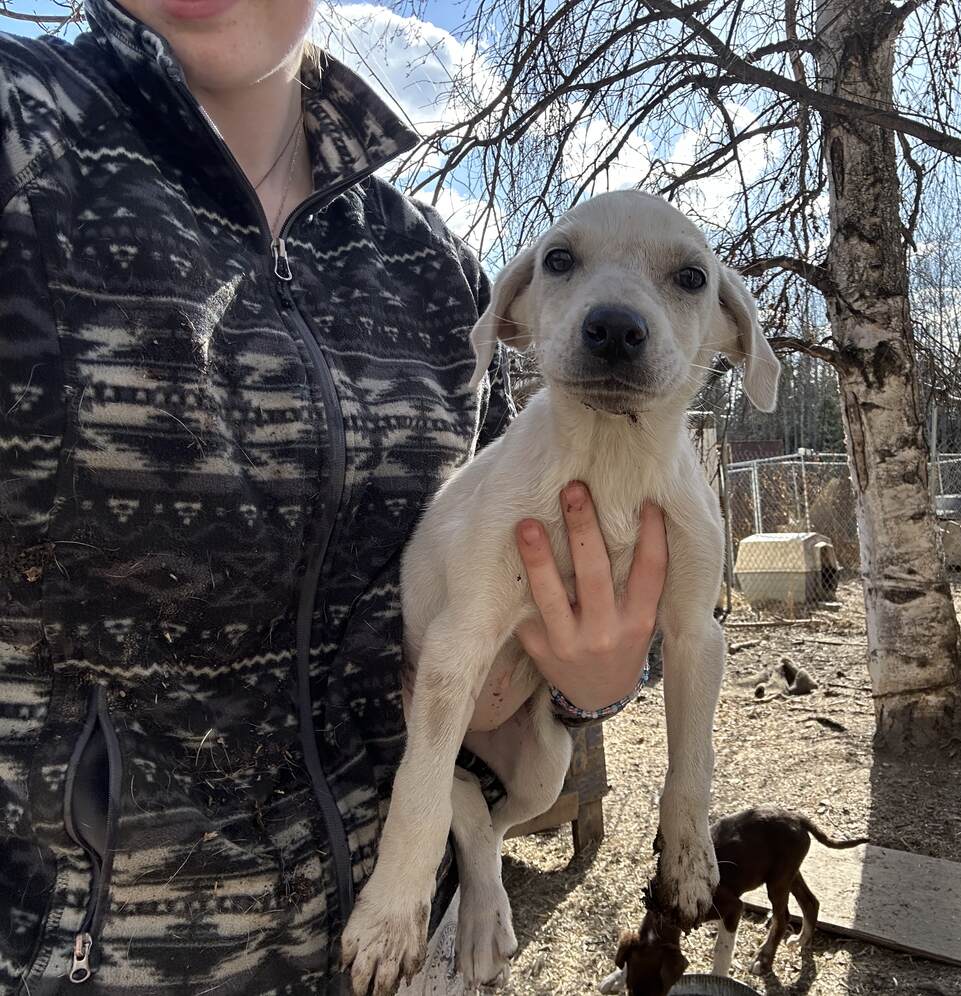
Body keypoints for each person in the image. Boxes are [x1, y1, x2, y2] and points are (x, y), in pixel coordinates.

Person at [0, 1, 666, 992]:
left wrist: (590, 679)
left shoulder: (433, 273)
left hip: (408, 951)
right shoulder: (29, 141)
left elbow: (548, 563)